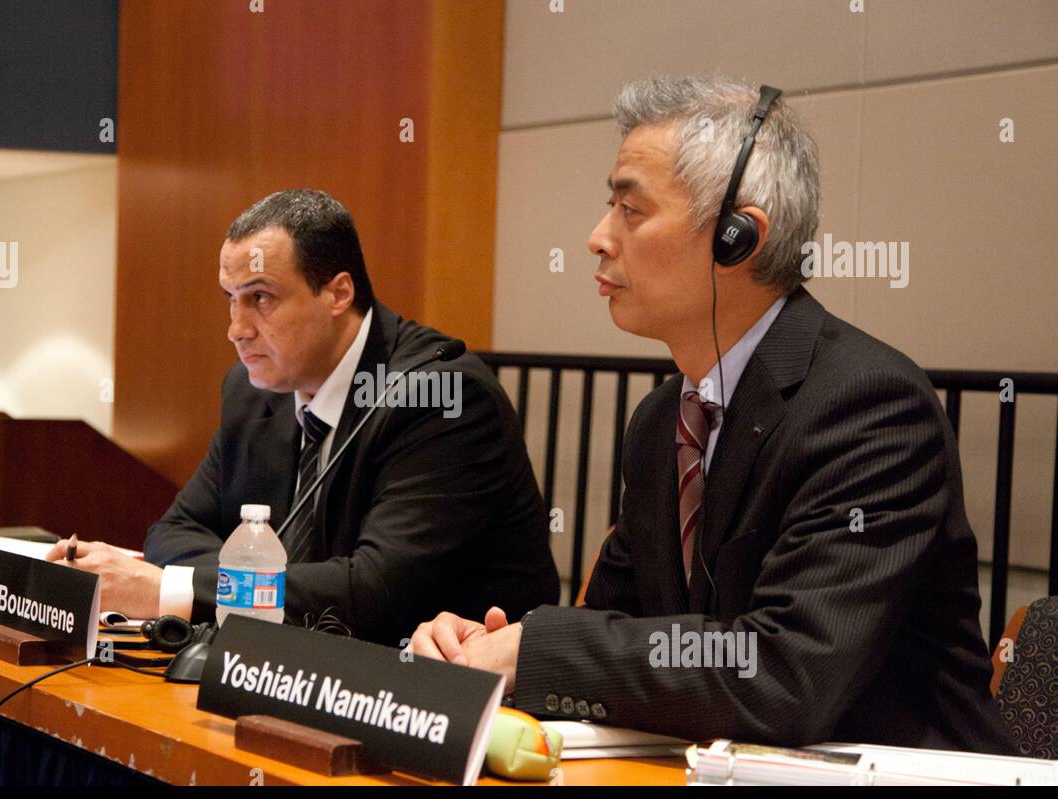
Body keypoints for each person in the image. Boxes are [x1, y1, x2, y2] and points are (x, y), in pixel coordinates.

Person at [411, 76, 1016, 754]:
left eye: (629, 209)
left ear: (737, 237)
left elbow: (786, 675)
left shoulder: (871, 406)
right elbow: (618, 626)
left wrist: (538, 650)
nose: (596, 238)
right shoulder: (661, 419)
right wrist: (492, 645)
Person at [48, 189, 559, 647]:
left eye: (261, 298)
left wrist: (170, 590)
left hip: (456, 705)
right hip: (292, 671)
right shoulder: (253, 394)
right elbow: (175, 532)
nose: (236, 330)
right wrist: (279, 589)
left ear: (338, 293)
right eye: (231, 300)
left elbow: (377, 592)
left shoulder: (440, 395)